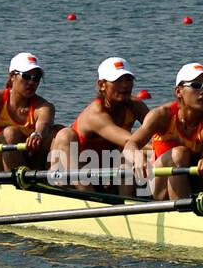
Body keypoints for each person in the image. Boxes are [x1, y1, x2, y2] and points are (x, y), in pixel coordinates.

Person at [123, 63, 203, 199]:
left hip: (192, 182)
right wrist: (138, 159)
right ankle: (182, 212)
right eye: (196, 85)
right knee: (179, 153)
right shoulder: (161, 115)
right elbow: (130, 144)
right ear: (178, 91)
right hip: (156, 184)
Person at [50, 57, 149, 192]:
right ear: (102, 85)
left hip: (102, 171)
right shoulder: (95, 114)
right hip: (71, 177)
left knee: (131, 153)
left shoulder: (135, 105)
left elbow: (159, 132)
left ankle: (127, 201)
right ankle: (90, 198)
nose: (125, 85)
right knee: (65, 134)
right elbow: (129, 140)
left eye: (128, 80)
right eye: (118, 81)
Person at [0, 52, 61, 172]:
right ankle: (17, 183)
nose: (31, 82)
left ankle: (55, 181)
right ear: (12, 76)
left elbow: (44, 124)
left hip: (28, 163)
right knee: (11, 133)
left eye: (36, 78)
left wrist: (37, 134)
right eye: (26, 76)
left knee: (58, 132)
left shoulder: (44, 106)